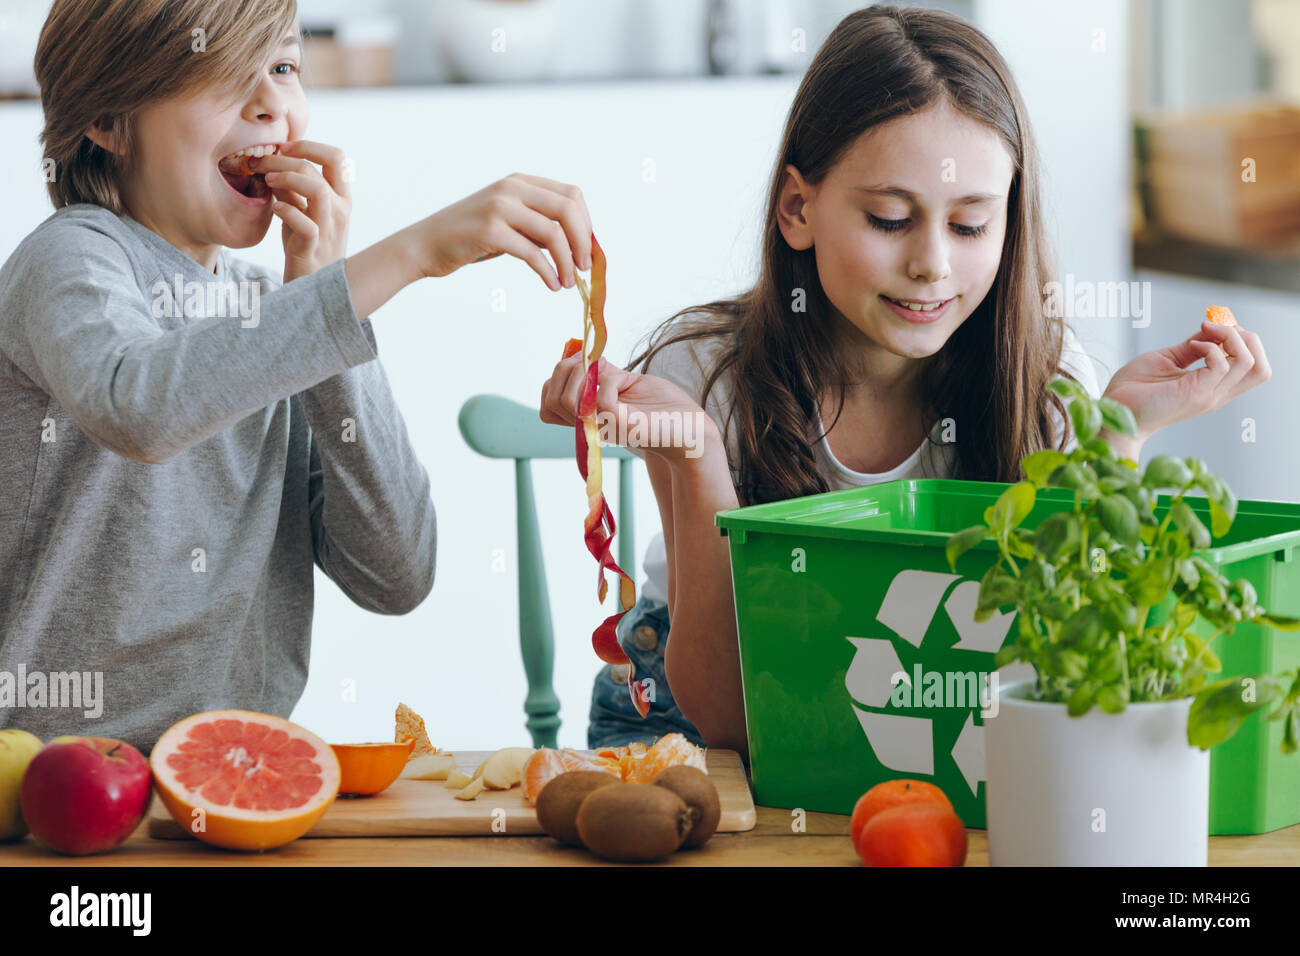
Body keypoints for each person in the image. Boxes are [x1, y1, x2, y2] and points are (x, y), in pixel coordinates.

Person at [539, 5, 1271, 760]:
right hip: (685, 726)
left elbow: (1060, 668)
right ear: (799, 208)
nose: (932, 265)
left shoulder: (1049, 385)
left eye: (969, 226)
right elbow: (730, 717)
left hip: (930, 724)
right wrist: (695, 455)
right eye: (890, 219)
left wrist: (1116, 432)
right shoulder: (700, 378)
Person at [0, 0, 594, 754]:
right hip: (49, 786)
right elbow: (140, 404)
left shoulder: (275, 316)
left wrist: (320, 292)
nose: (271, 103)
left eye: (283, 67)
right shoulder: (72, 259)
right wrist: (405, 256)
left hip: (239, 778)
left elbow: (396, 574)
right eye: (223, 70)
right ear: (110, 120)